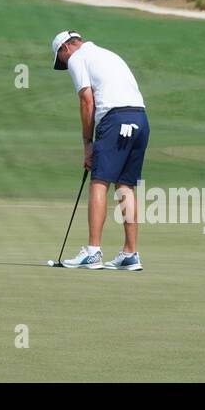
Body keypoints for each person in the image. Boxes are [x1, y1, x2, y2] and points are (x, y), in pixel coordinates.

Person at [51, 30, 149, 272]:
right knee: (125, 185)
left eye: (61, 59)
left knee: (99, 181)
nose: (65, 64)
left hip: (115, 118)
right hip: (140, 119)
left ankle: (93, 251)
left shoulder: (76, 58)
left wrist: (87, 143)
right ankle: (130, 253)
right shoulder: (108, 54)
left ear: (65, 48)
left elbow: (87, 100)